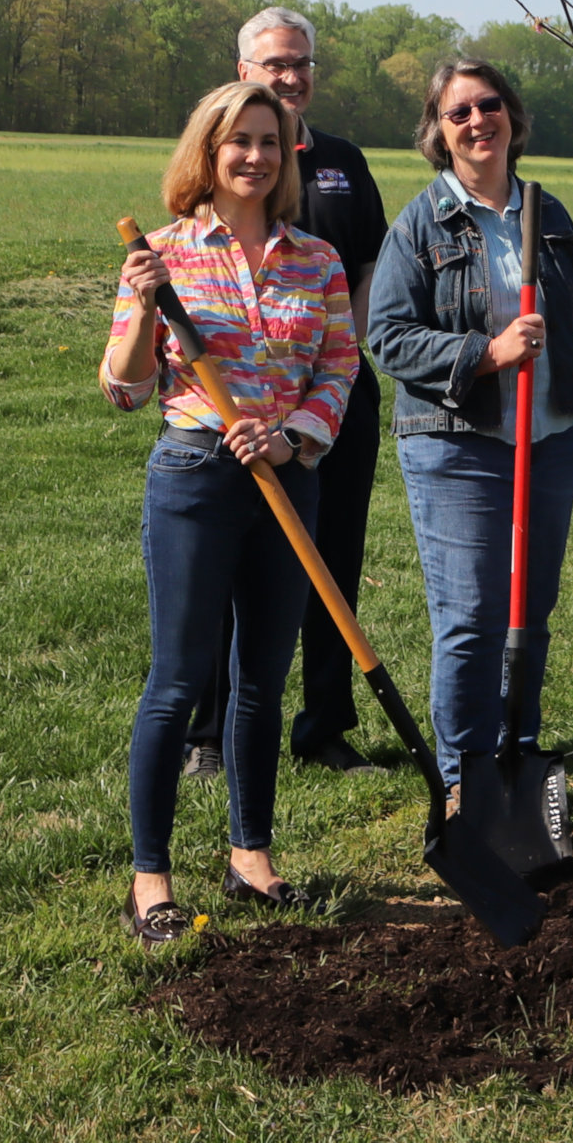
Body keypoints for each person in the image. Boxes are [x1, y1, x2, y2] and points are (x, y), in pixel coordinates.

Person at [101, 80, 357, 942]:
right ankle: (150, 878)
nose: (254, 156)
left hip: (286, 479)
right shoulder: (163, 255)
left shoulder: (315, 261)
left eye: (270, 143)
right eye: (237, 141)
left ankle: (252, 856)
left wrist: (292, 439)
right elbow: (125, 388)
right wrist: (142, 302)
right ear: (206, 153)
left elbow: (340, 368)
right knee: (178, 683)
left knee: (261, 683)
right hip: (196, 474)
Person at [365, 57, 573, 799]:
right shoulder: (421, 223)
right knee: (473, 616)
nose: (478, 122)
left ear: (511, 115)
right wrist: (487, 353)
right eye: (458, 114)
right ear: (439, 135)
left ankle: (521, 755)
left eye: (489, 105)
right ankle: (465, 780)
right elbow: (388, 337)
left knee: (530, 613)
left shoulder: (550, 214)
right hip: (457, 442)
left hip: (551, 440)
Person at [180, 5, 390, 780]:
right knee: (229, 566)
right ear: (244, 74)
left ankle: (325, 726)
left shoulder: (343, 161)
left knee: (332, 559)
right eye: (275, 65)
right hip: (234, 409)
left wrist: (338, 358)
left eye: (301, 62)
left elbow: (367, 269)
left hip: (333, 397)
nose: (291, 75)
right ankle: (210, 734)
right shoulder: (225, 159)